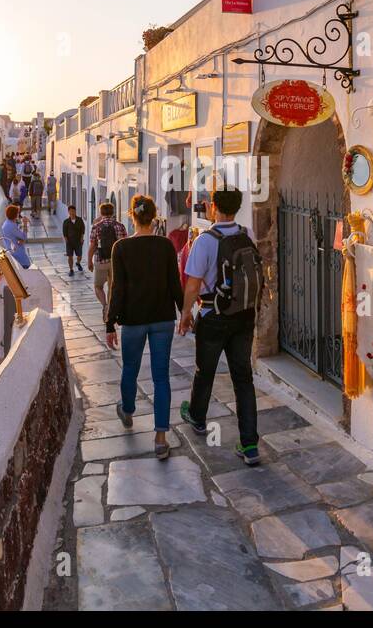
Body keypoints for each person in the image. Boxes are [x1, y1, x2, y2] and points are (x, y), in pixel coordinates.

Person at [179, 188, 263, 465]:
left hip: (213, 314)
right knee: (243, 377)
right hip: (243, 315)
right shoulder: (247, 234)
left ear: (213, 206)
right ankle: (249, 444)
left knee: (206, 371)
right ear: (237, 208)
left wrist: (185, 314)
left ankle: (198, 417)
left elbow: (192, 284)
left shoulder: (205, 241)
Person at [105, 195, 184, 460]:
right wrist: (185, 312)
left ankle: (127, 410)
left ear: (132, 216)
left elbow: (117, 289)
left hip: (133, 321)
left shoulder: (121, 247)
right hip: (162, 319)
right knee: (161, 377)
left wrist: (109, 322)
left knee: (130, 369)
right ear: (154, 215)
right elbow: (175, 283)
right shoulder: (165, 246)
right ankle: (161, 439)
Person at [88, 202, 127, 322]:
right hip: (116, 263)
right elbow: (124, 245)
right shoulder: (120, 226)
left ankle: (105, 306)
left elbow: (92, 245)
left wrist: (89, 260)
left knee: (98, 286)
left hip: (101, 261)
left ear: (101, 213)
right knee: (112, 287)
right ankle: (110, 309)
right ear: (113, 212)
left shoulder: (96, 227)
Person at [0, 203, 31, 269]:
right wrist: (25, 224)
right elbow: (24, 237)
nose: (18, 214)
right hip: (17, 253)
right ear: (14, 214)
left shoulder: (6, 223)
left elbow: (14, 235)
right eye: (17, 213)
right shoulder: (11, 225)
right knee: (26, 268)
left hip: (11, 250)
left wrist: (20, 239)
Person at [63, 204, 85, 275]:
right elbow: (64, 232)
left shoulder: (80, 220)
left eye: (73, 211)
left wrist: (82, 238)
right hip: (69, 242)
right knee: (70, 256)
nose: (72, 212)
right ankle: (71, 270)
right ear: (68, 212)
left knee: (79, 255)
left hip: (78, 241)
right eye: (70, 211)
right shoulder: (66, 222)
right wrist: (66, 241)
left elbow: (82, 230)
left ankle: (78, 263)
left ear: (75, 211)